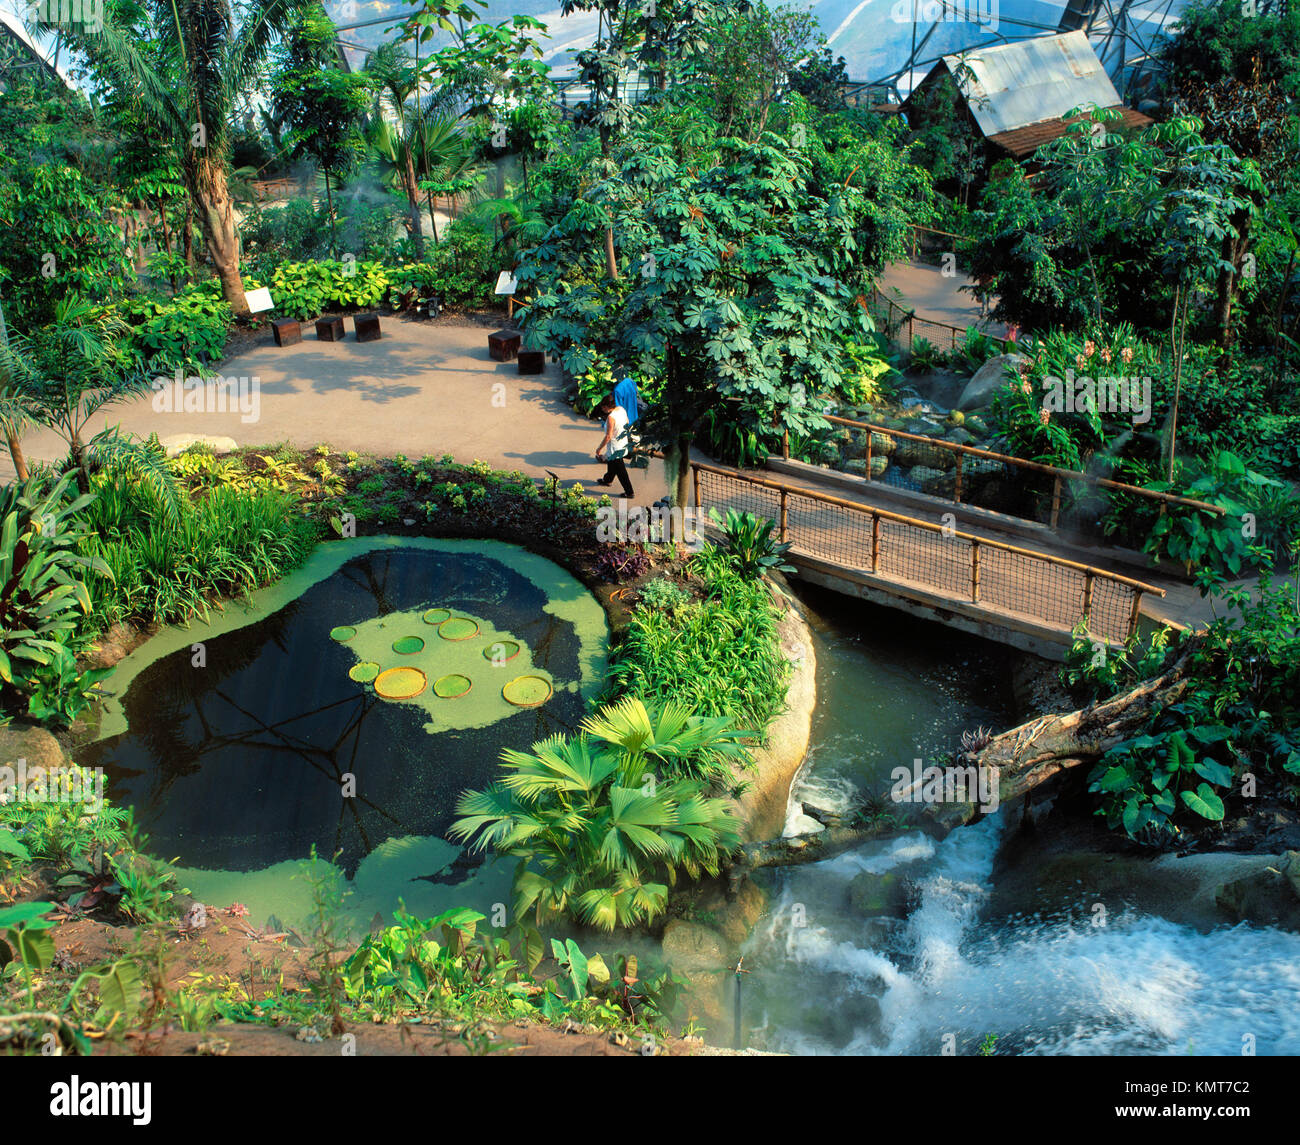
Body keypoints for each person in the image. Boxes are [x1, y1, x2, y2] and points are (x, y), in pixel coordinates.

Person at [594, 395, 634, 498]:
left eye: (603, 407)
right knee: (611, 464)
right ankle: (607, 480)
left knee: (621, 471)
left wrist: (599, 449)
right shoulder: (621, 409)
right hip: (622, 442)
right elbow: (627, 422)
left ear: (607, 406)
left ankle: (629, 492)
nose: (602, 409)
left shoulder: (611, 417)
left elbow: (608, 436)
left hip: (615, 447)